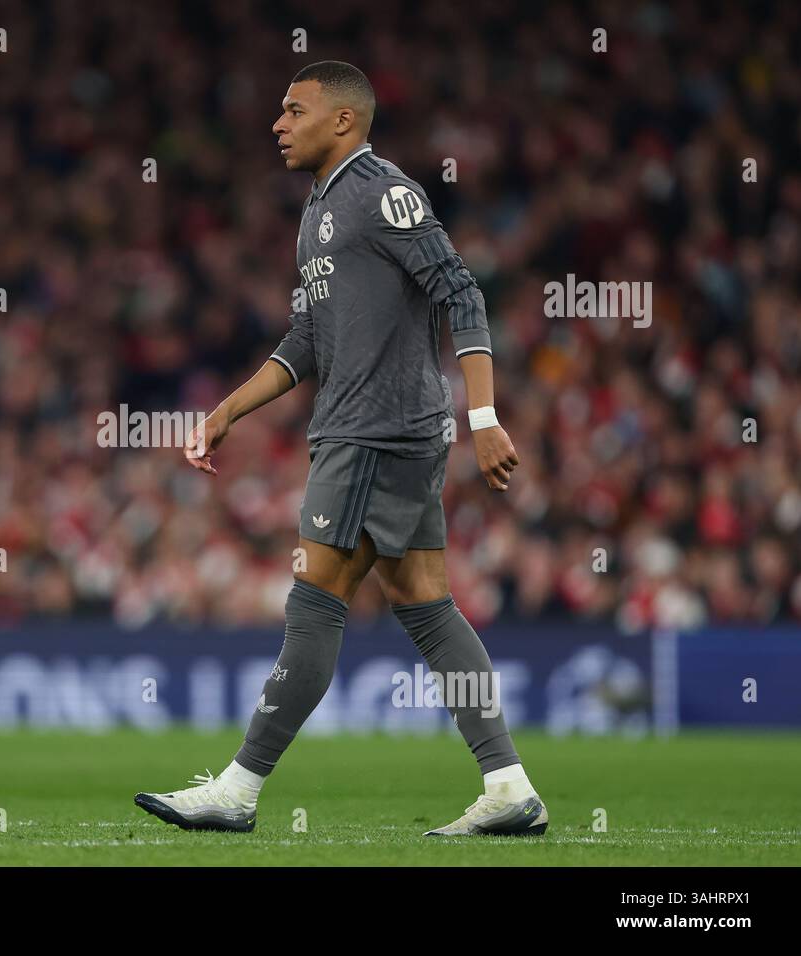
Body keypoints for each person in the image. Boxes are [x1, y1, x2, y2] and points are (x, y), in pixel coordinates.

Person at [134, 61, 547, 837]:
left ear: (344, 122)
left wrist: (484, 413)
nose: (278, 124)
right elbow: (307, 340)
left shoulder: (382, 191)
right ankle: (508, 785)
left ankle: (238, 789)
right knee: (426, 606)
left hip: (372, 433)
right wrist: (228, 409)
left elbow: (462, 291)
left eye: (294, 111)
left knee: (315, 601)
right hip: (384, 430)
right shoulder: (317, 210)